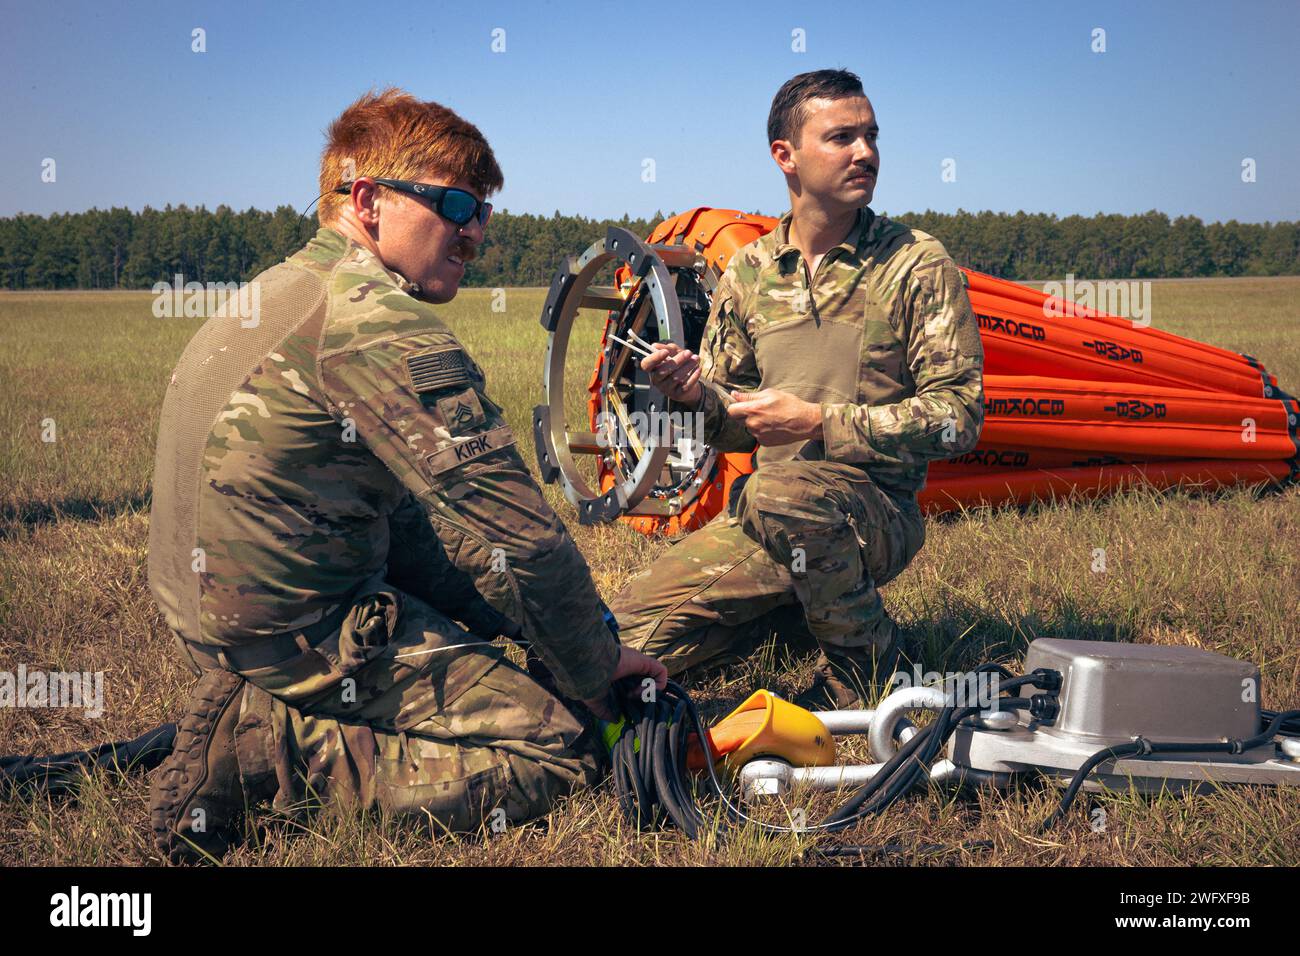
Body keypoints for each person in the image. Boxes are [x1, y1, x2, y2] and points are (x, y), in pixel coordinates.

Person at [146, 88, 665, 864]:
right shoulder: (376, 321)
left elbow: (417, 531)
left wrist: (512, 626)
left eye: (484, 210)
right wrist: (591, 666)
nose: (475, 231)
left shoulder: (276, 290)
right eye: (454, 203)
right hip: (291, 637)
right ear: (368, 200)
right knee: (559, 747)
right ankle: (263, 750)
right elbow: (526, 539)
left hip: (207, 620)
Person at [608, 69, 984, 710]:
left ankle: (868, 663)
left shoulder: (914, 263)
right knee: (620, 639)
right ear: (785, 155)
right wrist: (692, 394)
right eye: (841, 137)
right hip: (765, 516)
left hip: (873, 510)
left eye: (870, 136)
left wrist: (817, 422)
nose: (865, 153)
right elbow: (731, 420)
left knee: (776, 489)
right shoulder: (751, 271)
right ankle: (788, 613)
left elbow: (959, 417)